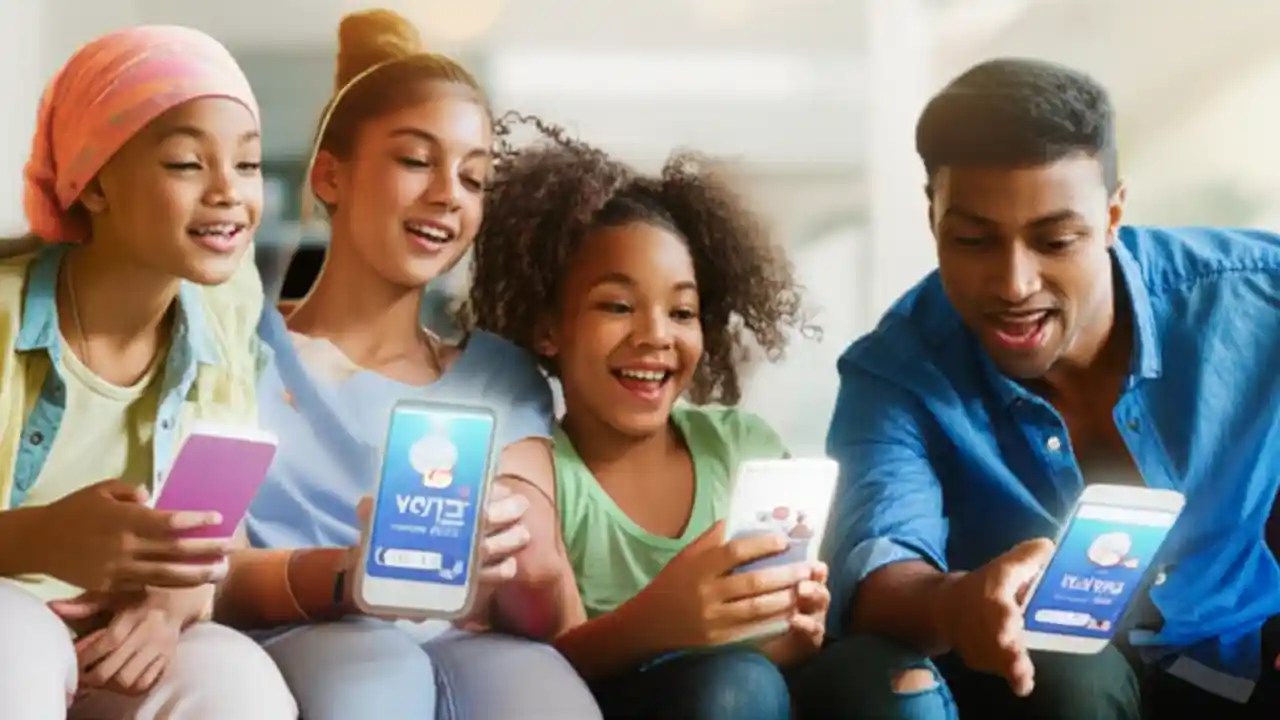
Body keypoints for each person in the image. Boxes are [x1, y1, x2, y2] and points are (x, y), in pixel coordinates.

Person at [813, 57, 1280, 719]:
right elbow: (879, 567)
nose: (1015, 284)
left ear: (1113, 214)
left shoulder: (1258, 298)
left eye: (1056, 241)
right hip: (1045, 686)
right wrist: (961, 602)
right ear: (932, 217)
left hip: (1245, 659)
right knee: (1066, 672)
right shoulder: (897, 372)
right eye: (972, 240)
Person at [211, 10, 598, 720]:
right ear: (329, 175)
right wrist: (349, 579)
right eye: (416, 161)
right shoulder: (234, 350)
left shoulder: (499, 378)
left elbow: (546, 607)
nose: (449, 193)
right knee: (374, 680)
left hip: (475, 653)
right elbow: (214, 574)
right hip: (298, 644)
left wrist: (527, 560)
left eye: (474, 178)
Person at [467, 131, 833, 719]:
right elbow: (536, 674)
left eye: (682, 312)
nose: (656, 335)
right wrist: (659, 621)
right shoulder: (541, 479)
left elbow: (782, 653)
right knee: (733, 686)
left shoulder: (743, 449)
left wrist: (794, 634)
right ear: (548, 328)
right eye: (617, 306)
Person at [0, 25, 296, 720]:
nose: (228, 191)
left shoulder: (228, 301)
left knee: (241, 686)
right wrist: (43, 537)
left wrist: (173, 599)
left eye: (248, 164)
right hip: (11, 617)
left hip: (130, 627)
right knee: (16, 648)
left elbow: (218, 524)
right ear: (95, 182)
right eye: (187, 163)